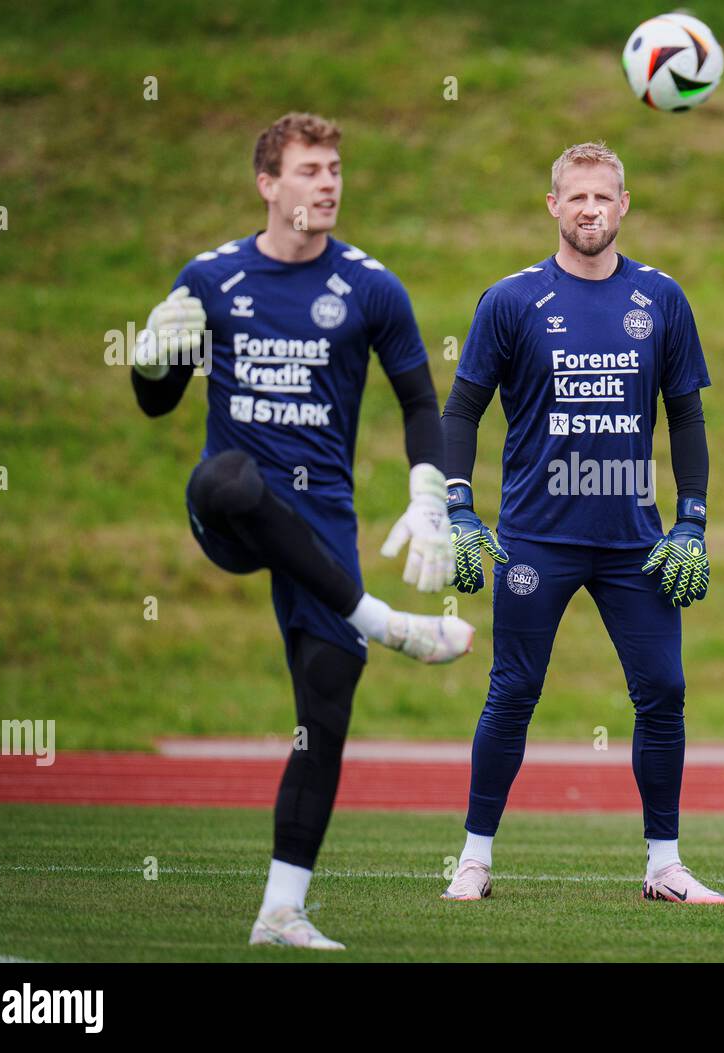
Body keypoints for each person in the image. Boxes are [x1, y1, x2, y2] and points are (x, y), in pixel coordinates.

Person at [130, 112, 473, 949]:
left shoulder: (371, 287)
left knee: (325, 705)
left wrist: (429, 496)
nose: (327, 183)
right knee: (229, 476)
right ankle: (383, 621)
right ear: (268, 184)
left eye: (334, 170)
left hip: (320, 529)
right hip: (232, 513)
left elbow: (422, 403)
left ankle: (280, 909)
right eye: (310, 169)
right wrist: (151, 358)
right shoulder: (211, 278)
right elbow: (155, 404)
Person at [440, 141, 724, 905]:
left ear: (624, 206)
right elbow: (461, 409)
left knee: (663, 690)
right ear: (553, 206)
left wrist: (692, 521)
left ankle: (664, 863)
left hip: (636, 538)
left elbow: (687, 414)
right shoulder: (510, 300)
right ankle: (473, 858)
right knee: (513, 692)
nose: (590, 209)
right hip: (535, 535)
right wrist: (459, 507)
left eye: (603, 197)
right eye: (576, 197)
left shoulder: (662, 299)